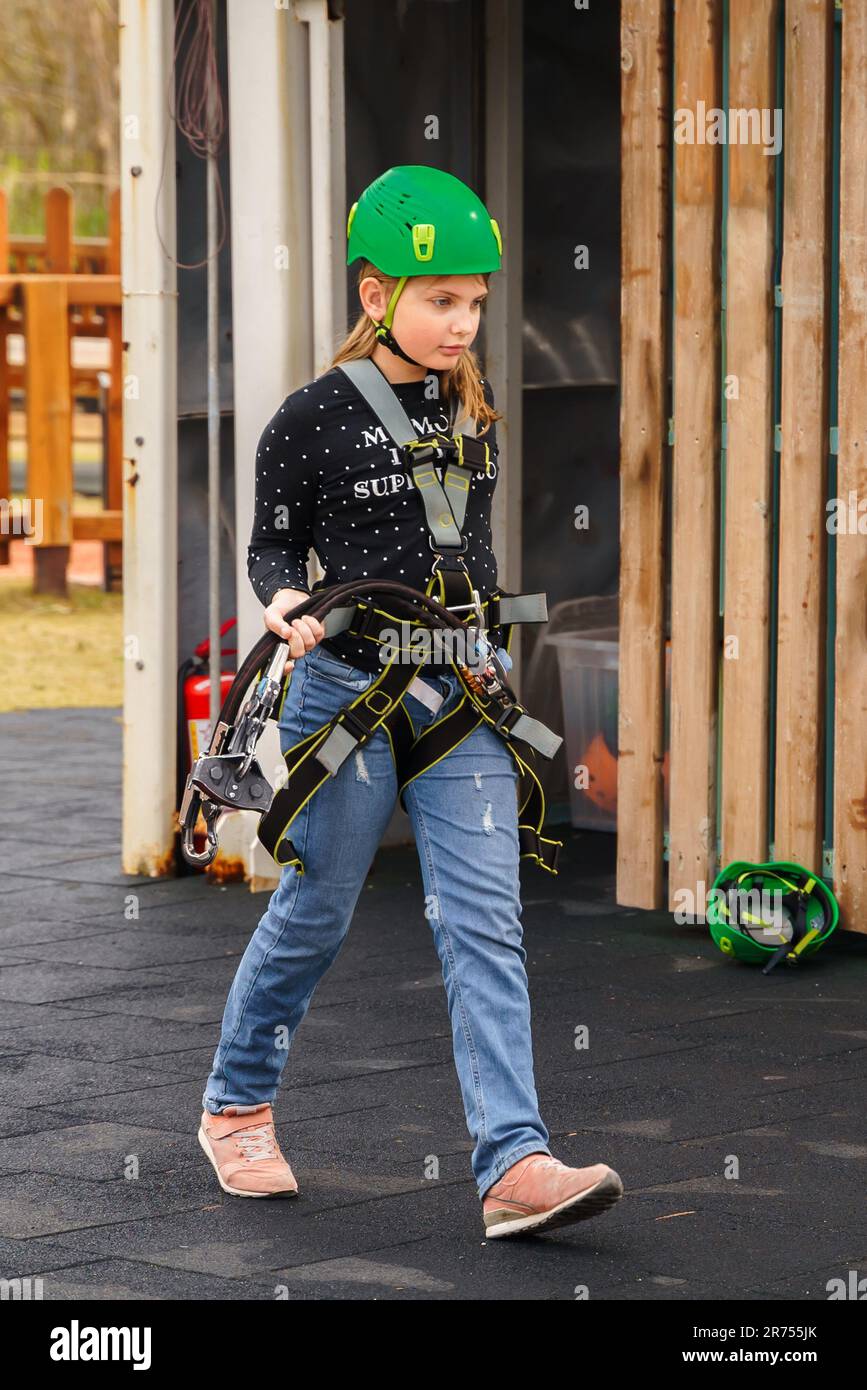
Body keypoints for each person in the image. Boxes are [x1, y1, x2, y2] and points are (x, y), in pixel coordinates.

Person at [198, 165, 623, 1238]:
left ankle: (513, 1162)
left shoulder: (470, 410)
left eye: (476, 301)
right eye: (441, 299)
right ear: (373, 292)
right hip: (344, 695)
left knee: (485, 923)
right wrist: (287, 599)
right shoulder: (306, 420)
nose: (462, 321)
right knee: (316, 909)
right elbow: (268, 545)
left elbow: (462, 552)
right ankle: (235, 1105)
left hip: (457, 699)